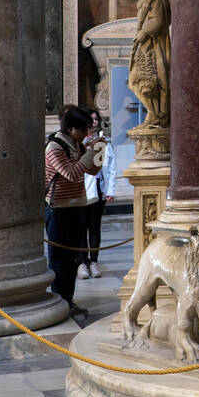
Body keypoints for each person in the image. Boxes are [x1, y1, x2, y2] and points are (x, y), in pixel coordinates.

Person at [44, 107, 106, 315]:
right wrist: (90, 151)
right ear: (71, 129)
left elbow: (92, 170)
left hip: (78, 206)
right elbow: (71, 173)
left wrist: (99, 152)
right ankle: (59, 301)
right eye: (84, 129)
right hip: (59, 210)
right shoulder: (54, 147)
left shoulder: (78, 145)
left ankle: (68, 301)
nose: (88, 134)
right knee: (59, 259)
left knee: (74, 259)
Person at [77, 108, 116, 281]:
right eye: (91, 120)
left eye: (96, 120)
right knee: (80, 229)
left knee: (94, 228)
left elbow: (111, 167)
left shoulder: (103, 142)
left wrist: (110, 190)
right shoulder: (78, 143)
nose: (94, 123)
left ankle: (94, 261)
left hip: (98, 189)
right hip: (81, 190)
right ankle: (82, 263)